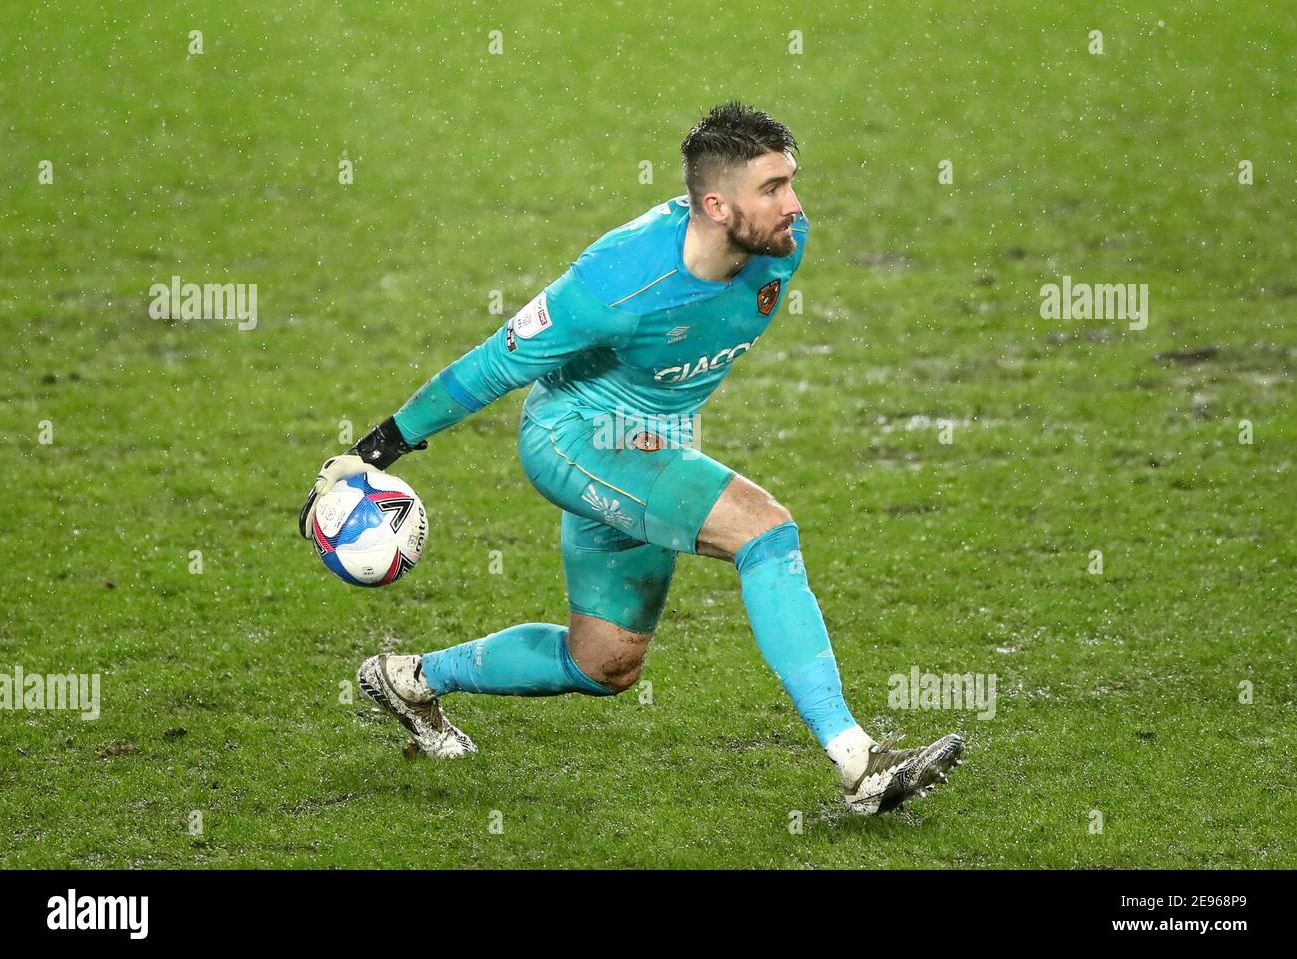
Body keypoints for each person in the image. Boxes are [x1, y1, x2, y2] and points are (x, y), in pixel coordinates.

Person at [300, 102, 963, 815]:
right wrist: (372, 451)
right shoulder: (616, 281)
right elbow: (496, 364)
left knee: (605, 661)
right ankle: (858, 761)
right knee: (764, 531)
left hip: (655, 445)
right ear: (714, 204)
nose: (794, 206)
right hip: (578, 438)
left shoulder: (782, 245)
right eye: (772, 188)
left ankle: (409, 679)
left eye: (792, 181)